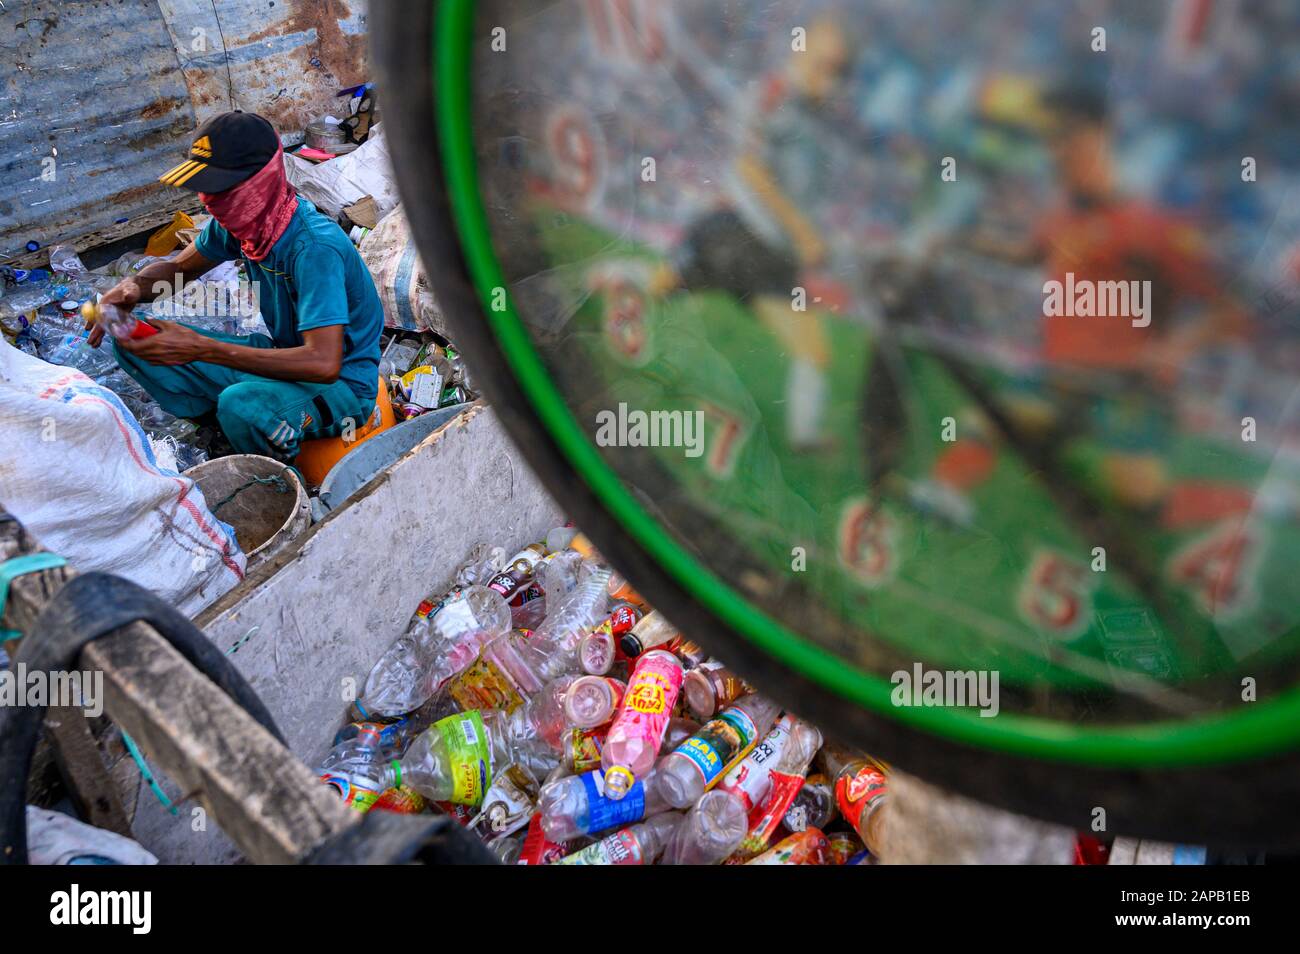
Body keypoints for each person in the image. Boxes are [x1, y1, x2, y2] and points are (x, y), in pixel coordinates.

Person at [92, 110, 384, 462]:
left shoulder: (314, 248)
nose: (208, 201)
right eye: (205, 189)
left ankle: (277, 472)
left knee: (240, 405)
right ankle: (222, 431)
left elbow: (323, 363)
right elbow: (180, 270)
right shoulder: (242, 224)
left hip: (343, 389)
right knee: (136, 338)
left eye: (220, 190)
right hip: (284, 357)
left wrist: (202, 348)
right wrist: (130, 290)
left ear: (260, 183)